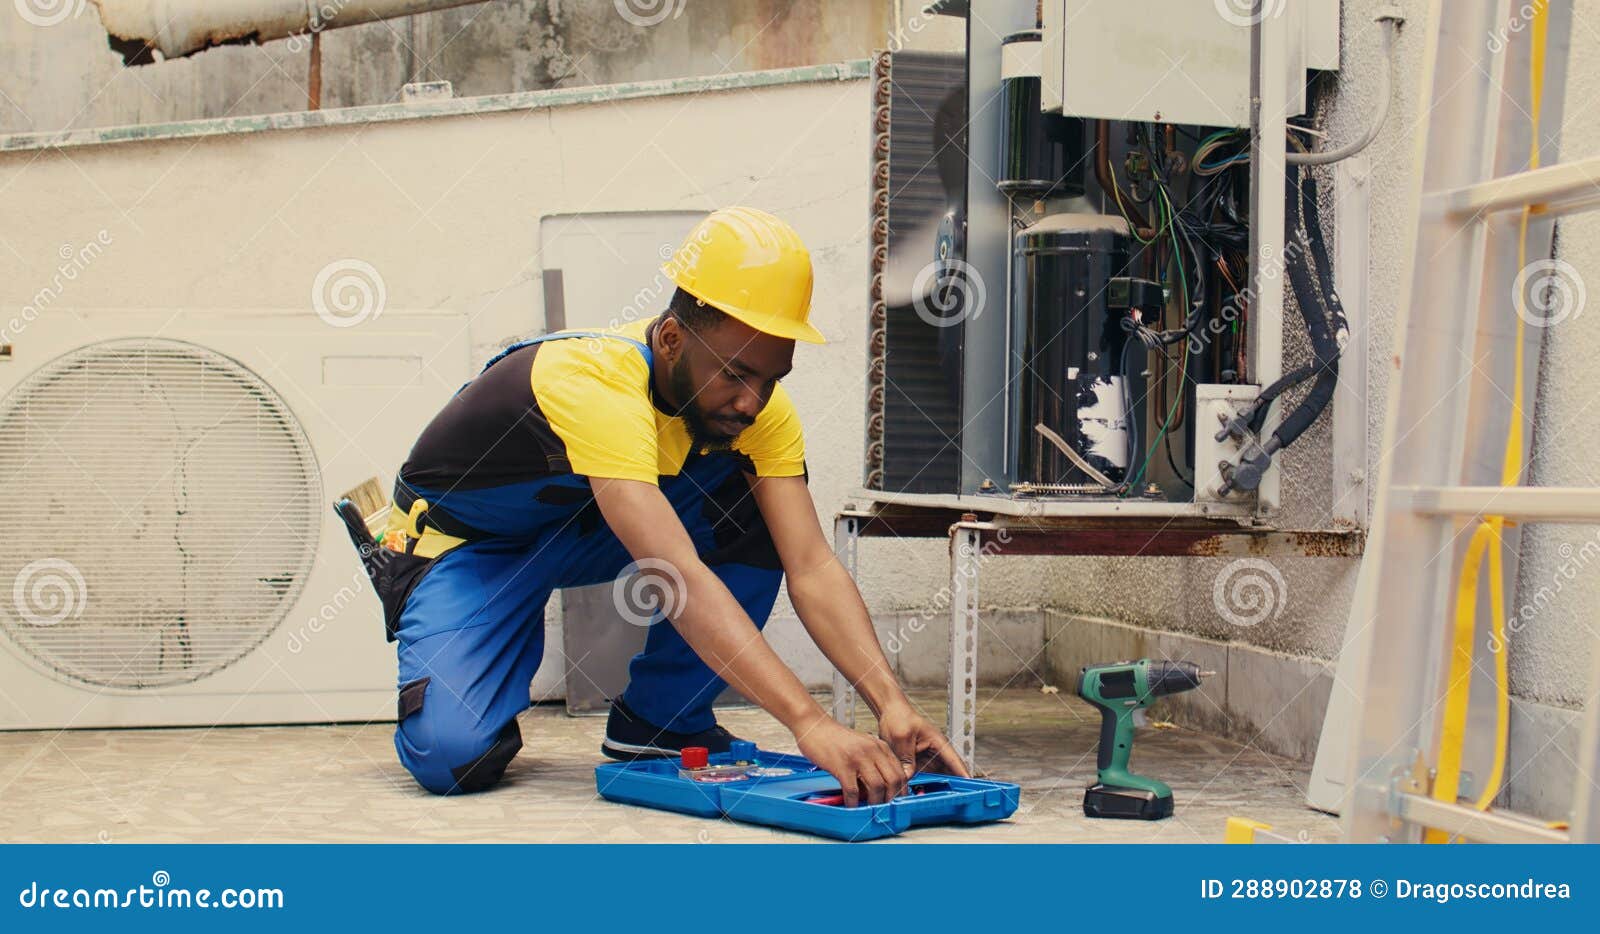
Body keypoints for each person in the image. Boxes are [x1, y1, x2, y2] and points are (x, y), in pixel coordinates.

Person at [375, 206, 967, 805]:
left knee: (757, 504)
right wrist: (810, 723)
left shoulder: (758, 415)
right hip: (469, 546)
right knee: (450, 759)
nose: (751, 402)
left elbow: (810, 564)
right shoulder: (596, 383)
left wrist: (892, 704)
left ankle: (660, 721)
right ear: (671, 338)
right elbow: (677, 576)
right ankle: (474, 650)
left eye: (771, 379)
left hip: (584, 527)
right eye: (735, 374)